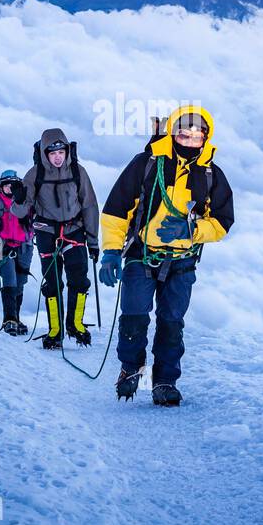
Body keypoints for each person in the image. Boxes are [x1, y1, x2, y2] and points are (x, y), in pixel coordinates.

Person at [98, 107, 234, 406]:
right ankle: (131, 370)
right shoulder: (146, 164)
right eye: (183, 135)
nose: (189, 141)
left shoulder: (210, 174)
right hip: (141, 254)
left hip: (183, 260)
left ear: (205, 137)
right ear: (172, 133)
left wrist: (192, 230)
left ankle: (164, 381)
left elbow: (223, 222)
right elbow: (117, 210)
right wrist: (110, 251)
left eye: (196, 136)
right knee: (134, 315)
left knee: (171, 321)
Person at [11, 128, 100, 349]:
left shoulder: (78, 171)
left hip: (74, 229)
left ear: (67, 151)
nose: (58, 156)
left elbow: (89, 206)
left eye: (61, 151)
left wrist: (93, 242)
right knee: (52, 282)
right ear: (44, 153)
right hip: (46, 231)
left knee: (79, 279)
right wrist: (19, 200)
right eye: (52, 153)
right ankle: (55, 330)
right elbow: (19, 213)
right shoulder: (34, 174)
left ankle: (75, 324)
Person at [0, 169, 33, 335]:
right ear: (0, 187)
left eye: (13, 186)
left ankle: (15, 319)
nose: (10, 189)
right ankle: (9, 319)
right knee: (9, 280)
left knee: (20, 282)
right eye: (6, 186)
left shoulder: (27, 204)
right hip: (3, 246)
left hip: (25, 246)